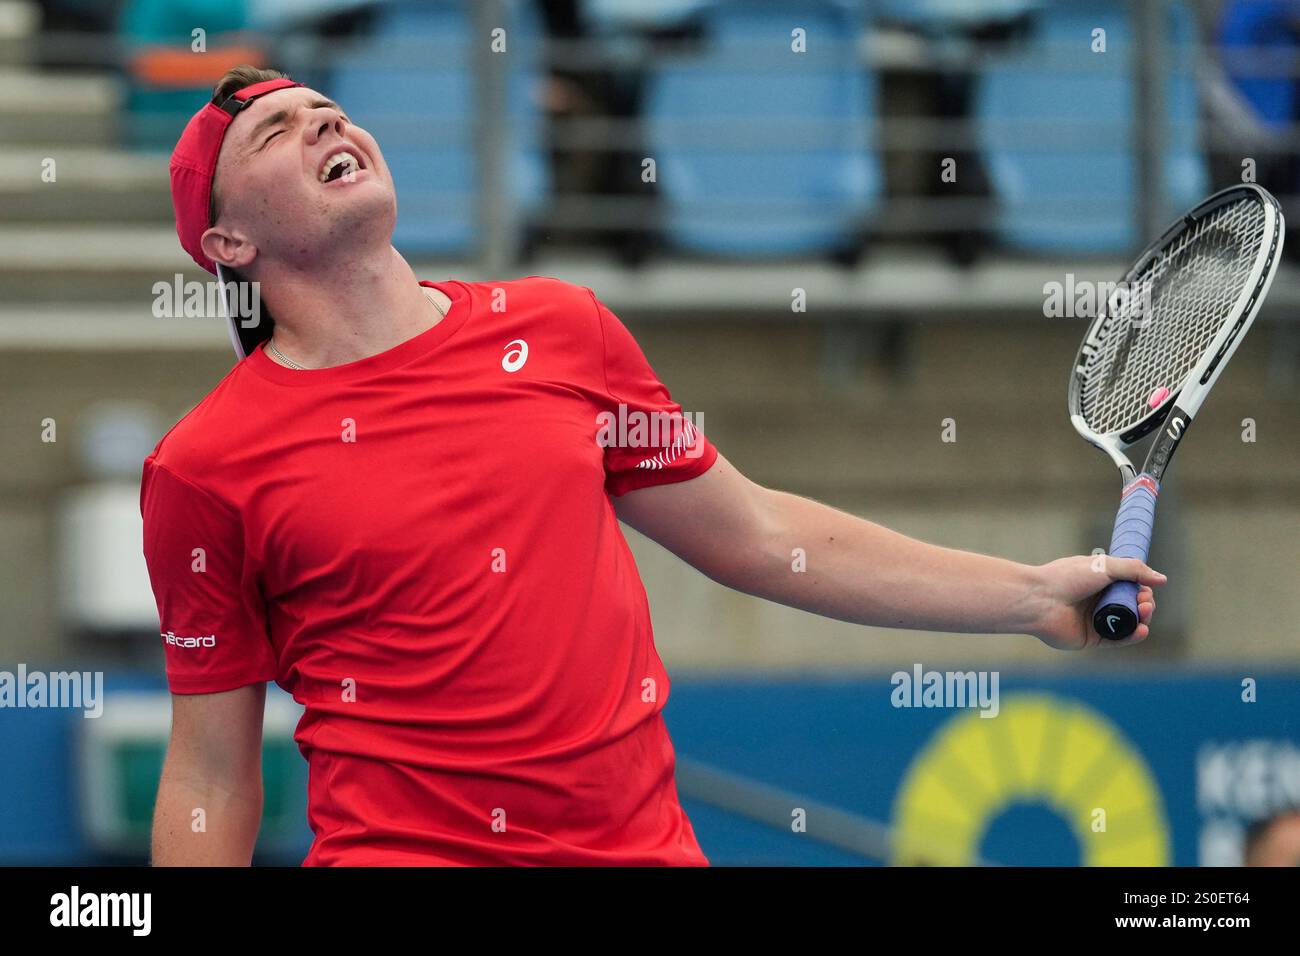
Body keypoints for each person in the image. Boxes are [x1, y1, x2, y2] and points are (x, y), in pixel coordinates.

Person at [144, 66, 1162, 866]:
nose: (324, 124)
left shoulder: (560, 332)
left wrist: (1032, 594)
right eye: (275, 134)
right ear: (228, 240)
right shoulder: (206, 465)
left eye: (328, 109)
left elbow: (763, 538)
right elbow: (212, 768)